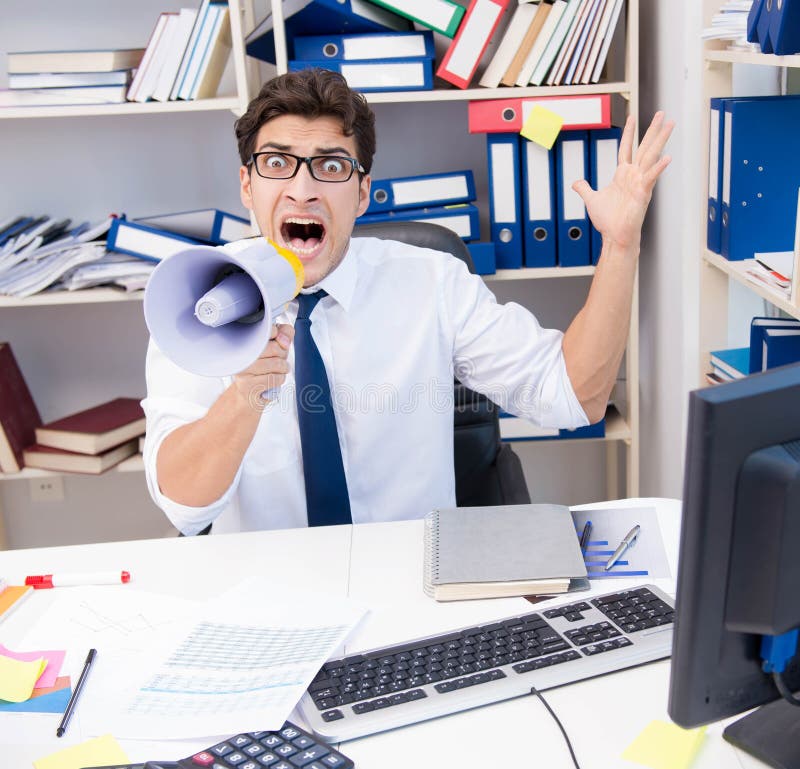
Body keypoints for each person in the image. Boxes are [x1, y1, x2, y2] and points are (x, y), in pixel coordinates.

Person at [142, 68, 673, 535]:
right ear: (246, 185)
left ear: (363, 192)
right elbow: (183, 509)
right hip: (272, 594)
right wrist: (245, 395)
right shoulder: (197, 298)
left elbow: (575, 396)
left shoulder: (432, 283)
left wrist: (620, 245)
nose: (302, 190)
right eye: (277, 163)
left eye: (330, 167)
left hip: (412, 582)